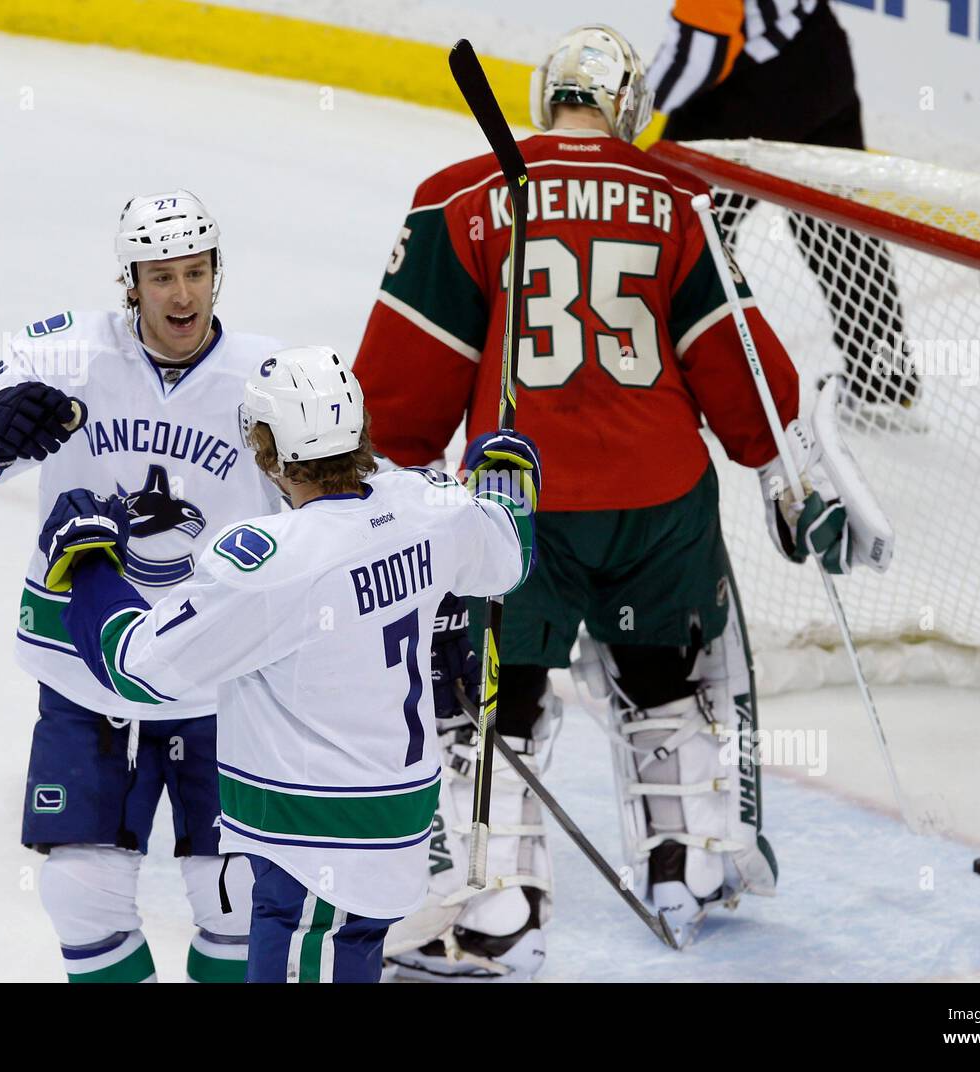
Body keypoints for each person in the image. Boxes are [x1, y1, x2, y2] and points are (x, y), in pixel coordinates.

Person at [355, 23, 888, 979]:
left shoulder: (462, 197)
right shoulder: (676, 201)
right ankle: (685, 867)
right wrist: (779, 466)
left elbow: (404, 387)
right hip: (660, 495)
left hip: (519, 503)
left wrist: (380, 495)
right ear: (630, 108)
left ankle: (498, 912)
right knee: (663, 682)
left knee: (499, 704)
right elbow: (737, 361)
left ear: (543, 98)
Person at [38, 346, 541, 983]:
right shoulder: (426, 504)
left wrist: (87, 567)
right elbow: (508, 555)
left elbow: (137, 666)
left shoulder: (271, 564)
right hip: (399, 812)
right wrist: (508, 485)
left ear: (268, 452)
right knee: (343, 953)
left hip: (317, 832)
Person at [0, 191, 285, 982]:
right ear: (131, 282)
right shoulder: (63, 353)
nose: (181, 294)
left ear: (217, 274)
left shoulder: (269, 375)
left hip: (220, 678)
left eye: (195, 273)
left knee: (233, 894)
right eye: (161, 277)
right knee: (79, 890)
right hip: (85, 667)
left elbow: (342, 499)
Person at [648, 0, 920, 423]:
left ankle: (674, 377)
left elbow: (700, 52)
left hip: (760, 83)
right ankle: (881, 381)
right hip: (821, 54)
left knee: (678, 213)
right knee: (835, 226)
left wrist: (627, 106)